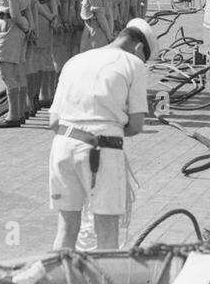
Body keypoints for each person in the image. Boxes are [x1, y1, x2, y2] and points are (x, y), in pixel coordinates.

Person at [48, 19, 155, 251]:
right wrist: (110, 127)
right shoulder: (134, 64)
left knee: (66, 229)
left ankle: (60, 273)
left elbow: (54, 121)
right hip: (102, 151)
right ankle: (105, 276)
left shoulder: (75, 60)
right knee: (106, 232)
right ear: (139, 48)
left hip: (62, 147)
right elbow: (136, 124)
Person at [26, 0, 59, 111]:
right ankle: (45, 94)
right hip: (46, 16)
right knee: (44, 57)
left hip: (40, 17)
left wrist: (50, 16)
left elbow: (36, 2)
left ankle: (38, 97)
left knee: (36, 58)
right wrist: (53, 15)